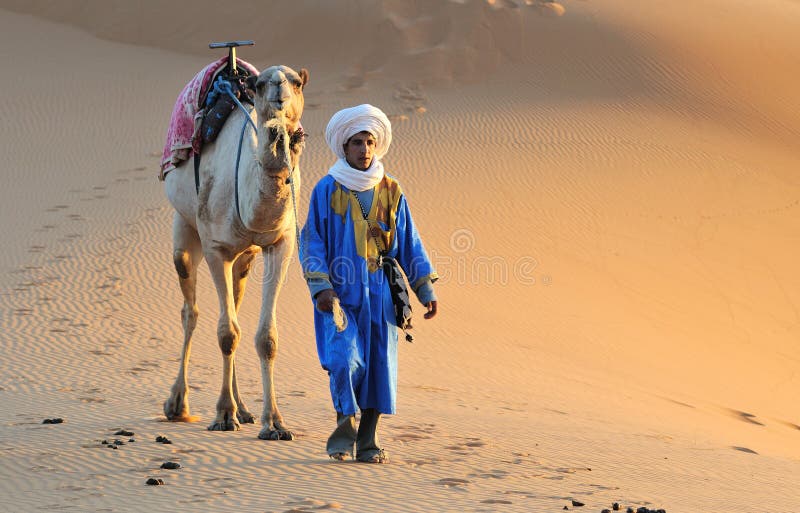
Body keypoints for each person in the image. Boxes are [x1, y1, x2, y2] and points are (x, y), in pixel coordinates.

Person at [300, 104, 439, 463]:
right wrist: (321, 288)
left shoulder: (392, 190)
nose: (364, 150)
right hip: (340, 296)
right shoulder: (326, 189)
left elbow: (409, 242)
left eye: (370, 142)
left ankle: (369, 442)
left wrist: (425, 290)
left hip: (380, 296)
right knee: (344, 360)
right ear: (343, 147)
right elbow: (311, 240)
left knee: (378, 365)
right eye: (357, 143)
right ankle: (344, 424)